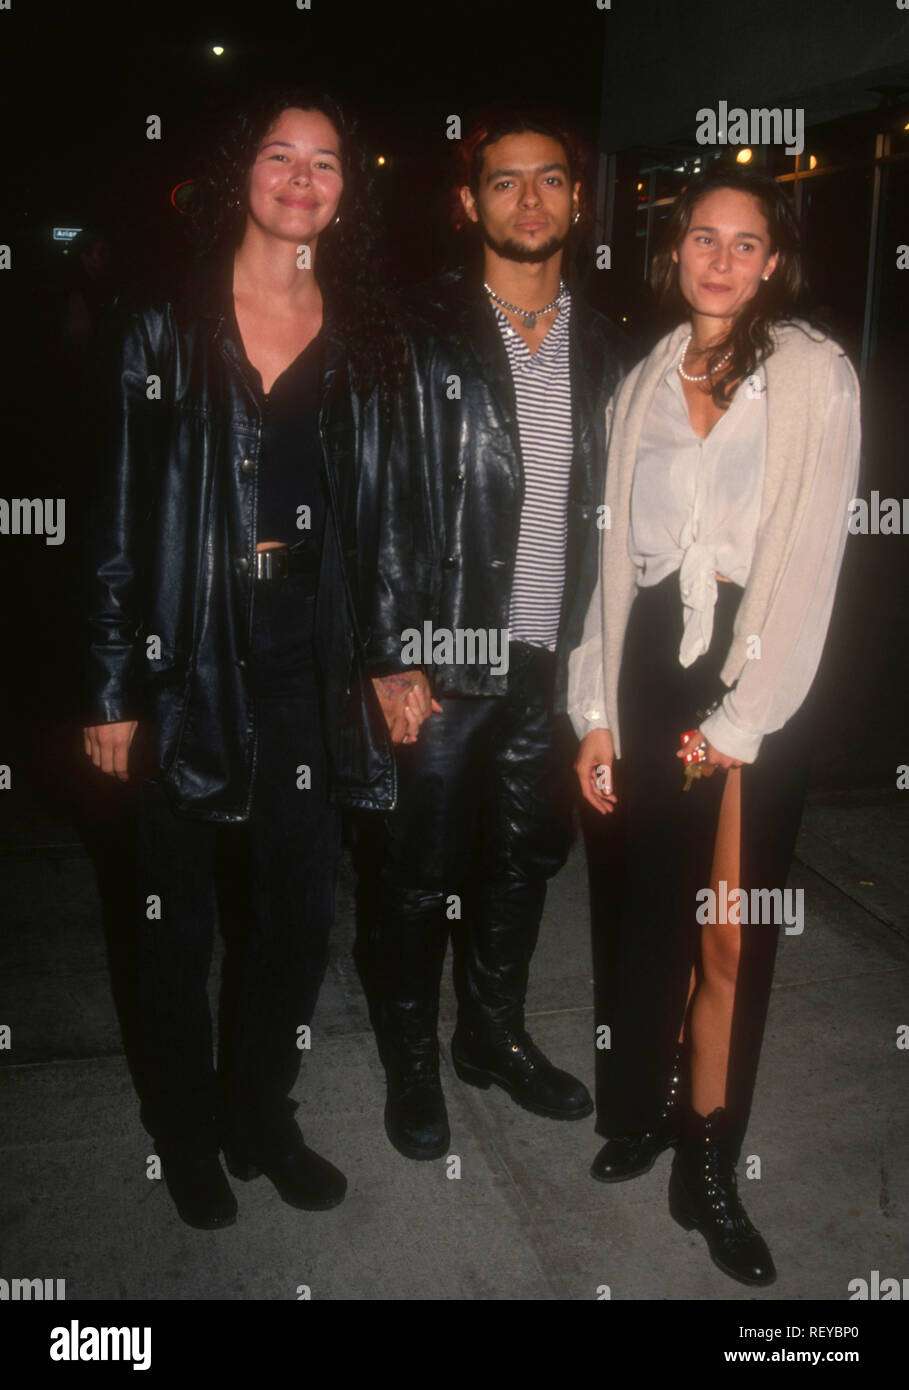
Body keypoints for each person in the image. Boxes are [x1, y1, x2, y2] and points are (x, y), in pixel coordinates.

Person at [82, 88, 430, 1229]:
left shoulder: (368, 326)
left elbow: (382, 518)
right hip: (186, 657)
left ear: (347, 193)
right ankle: (184, 1130)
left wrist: (389, 656)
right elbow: (119, 514)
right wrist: (111, 684)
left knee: (296, 919)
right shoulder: (163, 324)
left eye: (325, 161)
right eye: (280, 155)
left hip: (308, 659)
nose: (300, 177)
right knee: (174, 923)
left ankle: (258, 1113)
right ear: (243, 174)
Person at [568, 166, 860, 1284]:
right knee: (649, 909)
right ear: (673, 251)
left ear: (773, 262)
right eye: (703, 238)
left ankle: (711, 1159)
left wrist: (742, 722)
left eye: (747, 243)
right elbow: (609, 568)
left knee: (730, 929)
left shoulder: (812, 374)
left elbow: (811, 564)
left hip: (751, 662)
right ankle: (642, 1111)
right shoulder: (637, 381)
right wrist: (594, 709)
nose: (723, 259)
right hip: (647, 661)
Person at [363, 107, 627, 1161]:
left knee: (525, 859)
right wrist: (390, 650)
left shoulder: (612, 342)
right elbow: (376, 498)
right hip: (445, 653)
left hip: (553, 661)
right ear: (469, 202)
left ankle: (490, 1033)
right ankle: (412, 1060)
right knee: (415, 870)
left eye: (550, 180)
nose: (531, 200)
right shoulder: (411, 326)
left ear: (578, 199)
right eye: (506, 182)